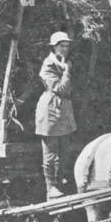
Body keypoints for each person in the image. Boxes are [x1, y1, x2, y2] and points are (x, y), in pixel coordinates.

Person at [35, 32, 76, 198]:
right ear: (54, 47)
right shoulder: (48, 65)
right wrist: (66, 72)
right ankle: (51, 187)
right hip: (50, 110)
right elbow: (60, 89)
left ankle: (60, 183)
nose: (65, 49)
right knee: (51, 153)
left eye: (67, 46)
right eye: (61, 46)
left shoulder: (64, 62)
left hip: (64, 110)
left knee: (64, 151)